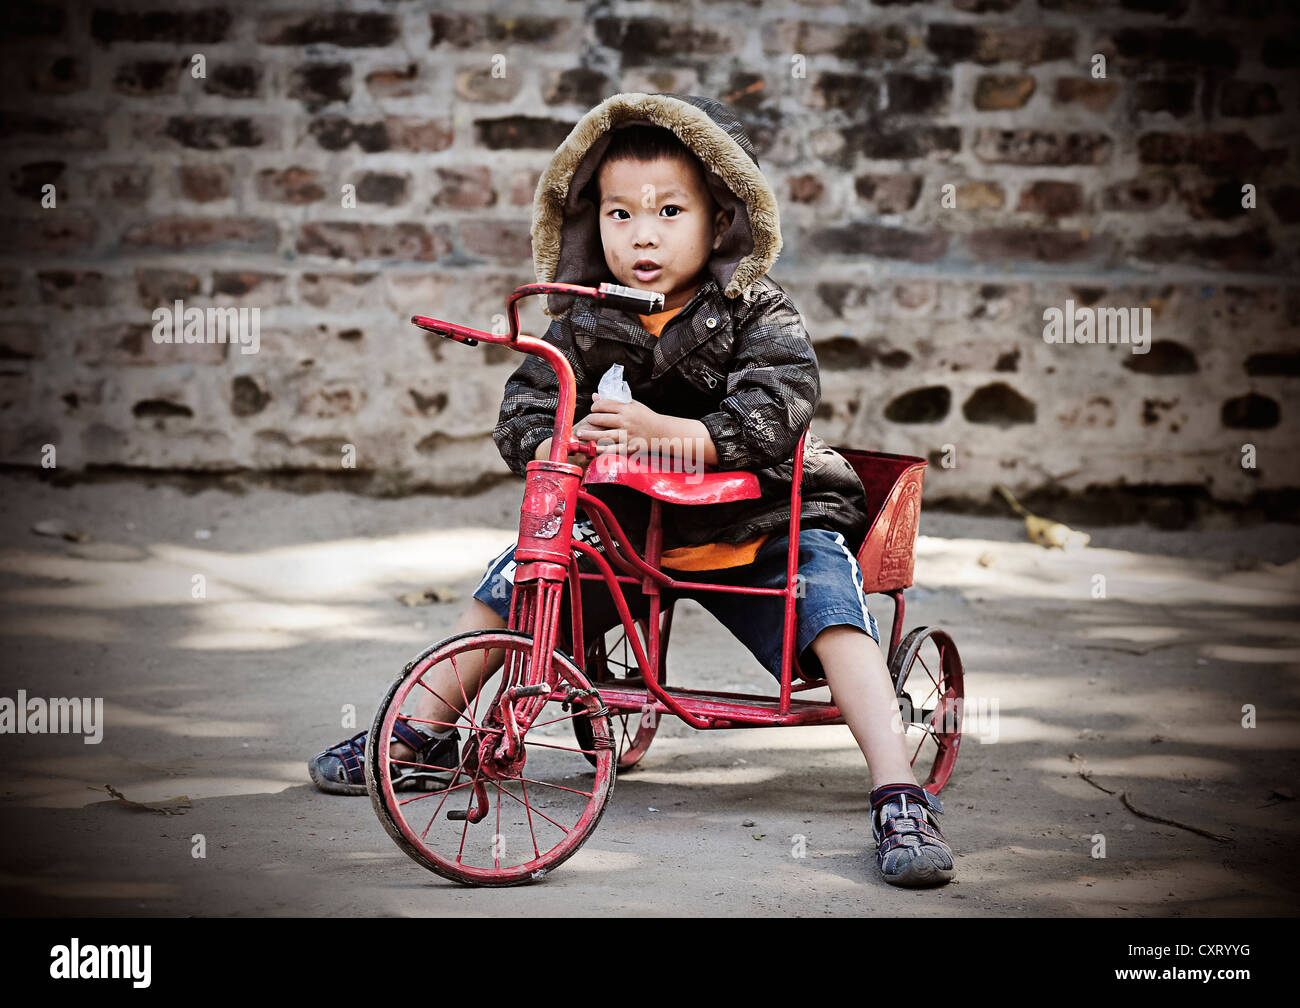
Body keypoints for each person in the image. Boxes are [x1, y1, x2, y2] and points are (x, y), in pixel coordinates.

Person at [309, 92, 955, 888]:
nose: (642, 234)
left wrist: (672, 432)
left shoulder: (756, 309)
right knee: (519, 575)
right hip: (632, 530)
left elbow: (778, 406)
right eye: (619, 214)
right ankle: (423, 727)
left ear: (721, 222)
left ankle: (897, 789)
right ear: (592, 224)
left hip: (757, 521)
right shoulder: (582, 320)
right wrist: (557, 437)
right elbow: (527, 403)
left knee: (827, 600)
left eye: (669, 210)